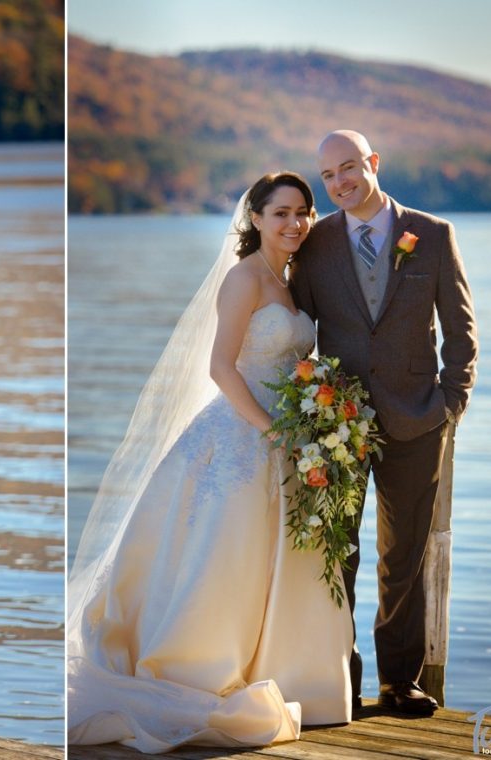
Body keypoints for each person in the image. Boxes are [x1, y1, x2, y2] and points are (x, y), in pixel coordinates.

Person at [67, 172, 353, 754]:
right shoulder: (243, 279)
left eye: (303, 211)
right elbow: (222, 368)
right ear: (255, 219)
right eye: (281, 213)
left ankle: (298, 678)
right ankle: (204, 662)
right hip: (244, 434)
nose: (295, 222)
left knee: (288, 555)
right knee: (228, 555)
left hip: (294, 437)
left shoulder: (293, 278)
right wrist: (273, 430)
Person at [289, 130, 478, 715]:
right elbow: (296, 332)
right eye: (328, 175)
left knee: (405, 556)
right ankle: (339, 674)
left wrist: (450, 403)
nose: (340, 182)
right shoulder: (314, 245)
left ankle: (401, 680)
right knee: (336, 552)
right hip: (336, 421)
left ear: (372, 163)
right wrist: (310, 404)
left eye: (349, 167)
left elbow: (462, 332)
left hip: (417, 420)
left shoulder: (434, 235)